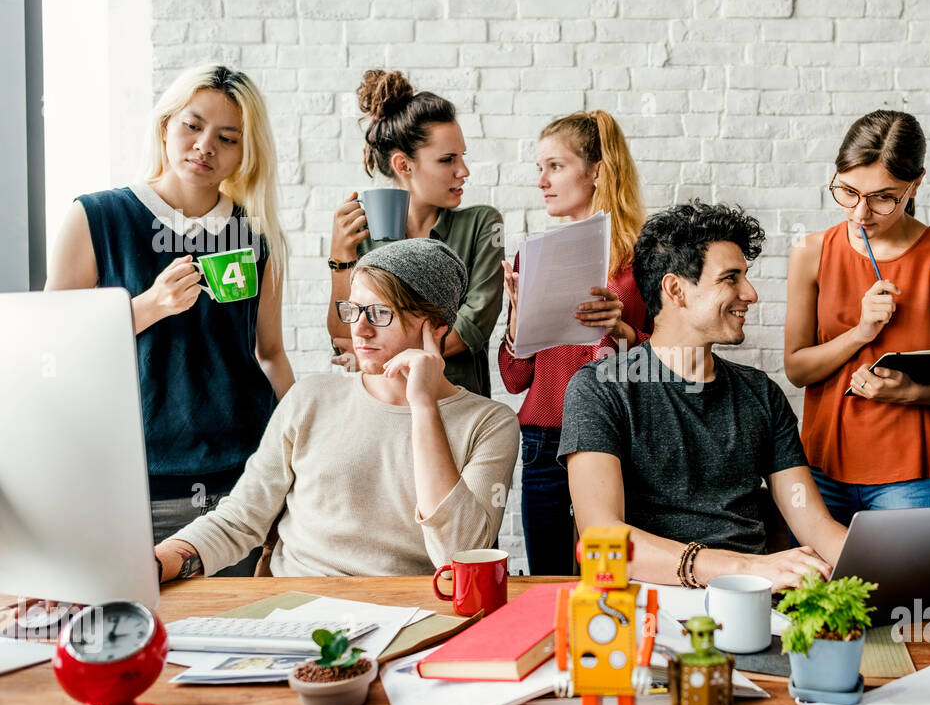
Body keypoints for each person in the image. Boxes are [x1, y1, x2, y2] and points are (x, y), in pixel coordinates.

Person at [46, 64, 294, 573]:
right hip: (132, 480)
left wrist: (297, 457)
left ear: (246, 153)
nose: (205, 146)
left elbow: (269, 353)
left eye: (228, 137)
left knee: (234, 639)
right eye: (192, 125)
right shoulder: (99, 217)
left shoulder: (255, 233)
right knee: (132, 631)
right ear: (165, 126)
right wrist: (148, 306)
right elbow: (52, 346)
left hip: (240, 484)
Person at [155, 239, 520, 581]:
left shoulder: (489, 423)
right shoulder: (310, 398)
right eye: (354, 310)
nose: (358, 330)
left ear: (438, 324)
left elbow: (460, 557)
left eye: (379, 313)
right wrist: (159, 562)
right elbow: (239, 520)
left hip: (410, 618)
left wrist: (423, 406)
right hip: (295, 611)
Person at [560, 201, 847, 592]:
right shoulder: (600, 389)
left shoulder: (760, 393)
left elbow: (814, 525)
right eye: (731, 278)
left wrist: (893, 567)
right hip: (649, 602)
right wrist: (746, 568)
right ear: (676, 290)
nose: (751, 293)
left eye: (745, 277)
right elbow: (601, 537)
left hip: (756, 598)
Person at [784, 110, 930, 526]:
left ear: (916, 184)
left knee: (909, 594)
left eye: (883, 197)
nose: (861, 214)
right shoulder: (811, 253)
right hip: (820, 470)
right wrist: (861, 332)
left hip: (915, 477)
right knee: (807, 593)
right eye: (848, 192)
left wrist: (911, 393)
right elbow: (797, 369)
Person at [498, 111, 650, 574]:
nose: (542, 181)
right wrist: (519, 322)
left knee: (611, 577)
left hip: (620, 438)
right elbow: (513, 377)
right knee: (546, 578)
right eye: (539, 169)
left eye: (555, 166)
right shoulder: (533, 256)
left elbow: (672, 364)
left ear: (598, 172)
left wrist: (624, 332)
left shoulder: (646, 258)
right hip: (545, 441)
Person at [328, 69, 503, 398]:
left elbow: (471, 328)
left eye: (462, 157)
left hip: (458, 409)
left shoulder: (481, 224)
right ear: (403, 165)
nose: (463, 171)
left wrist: (377, 347)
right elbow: (344, 339)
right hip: (382, 409)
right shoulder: (360, 234)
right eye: (447, 159)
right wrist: (340, 259)